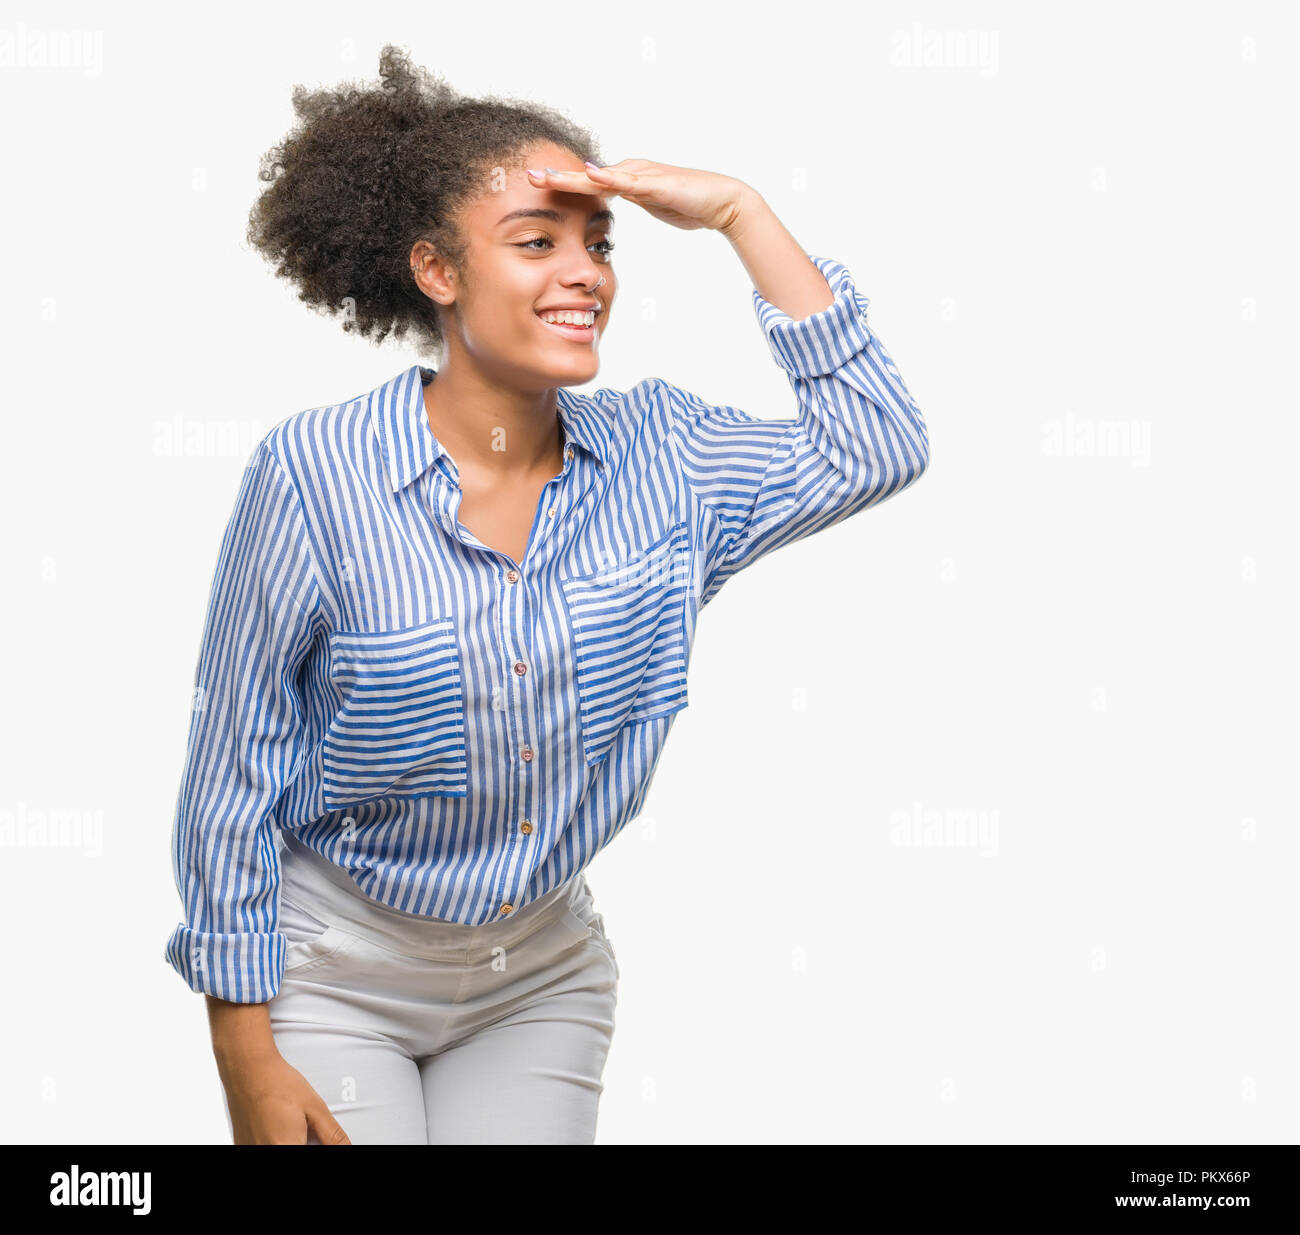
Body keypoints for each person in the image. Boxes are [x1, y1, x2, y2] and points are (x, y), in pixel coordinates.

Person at [164, 45, 930, 1145]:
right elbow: (233, 760)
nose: (586, 273)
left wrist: (740, 215)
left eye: (597, 243)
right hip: (329, 971)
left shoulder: (668, 456)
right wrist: (244, 1051)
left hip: (536, 976)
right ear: (437, 271)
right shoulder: (314, 474)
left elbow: (877, 445)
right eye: (536, 242)